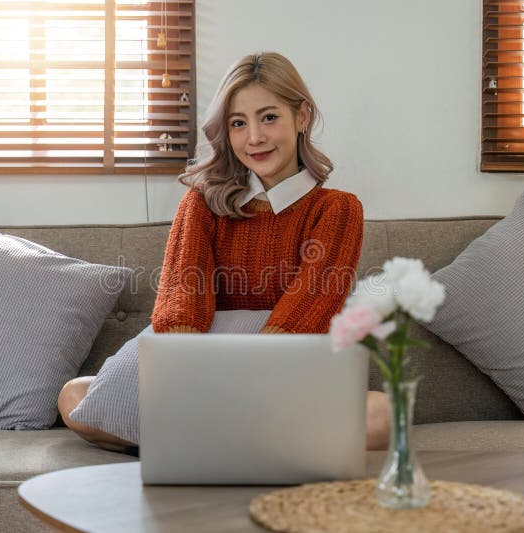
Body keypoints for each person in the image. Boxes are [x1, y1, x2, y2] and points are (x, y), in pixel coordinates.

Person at [58, 52, 390, 452]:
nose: (254, 138)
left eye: (269, 117)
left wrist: (245, 380)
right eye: (238, 123)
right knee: (74, 397)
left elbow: (307, 309)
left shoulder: (337, 209)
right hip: (195, 369)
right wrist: (193, 375)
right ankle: (237, 443)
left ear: (301, 117)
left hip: (284, 368)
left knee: (383, 416)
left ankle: (193, 441)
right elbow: (183, 300)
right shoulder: (202, 203)